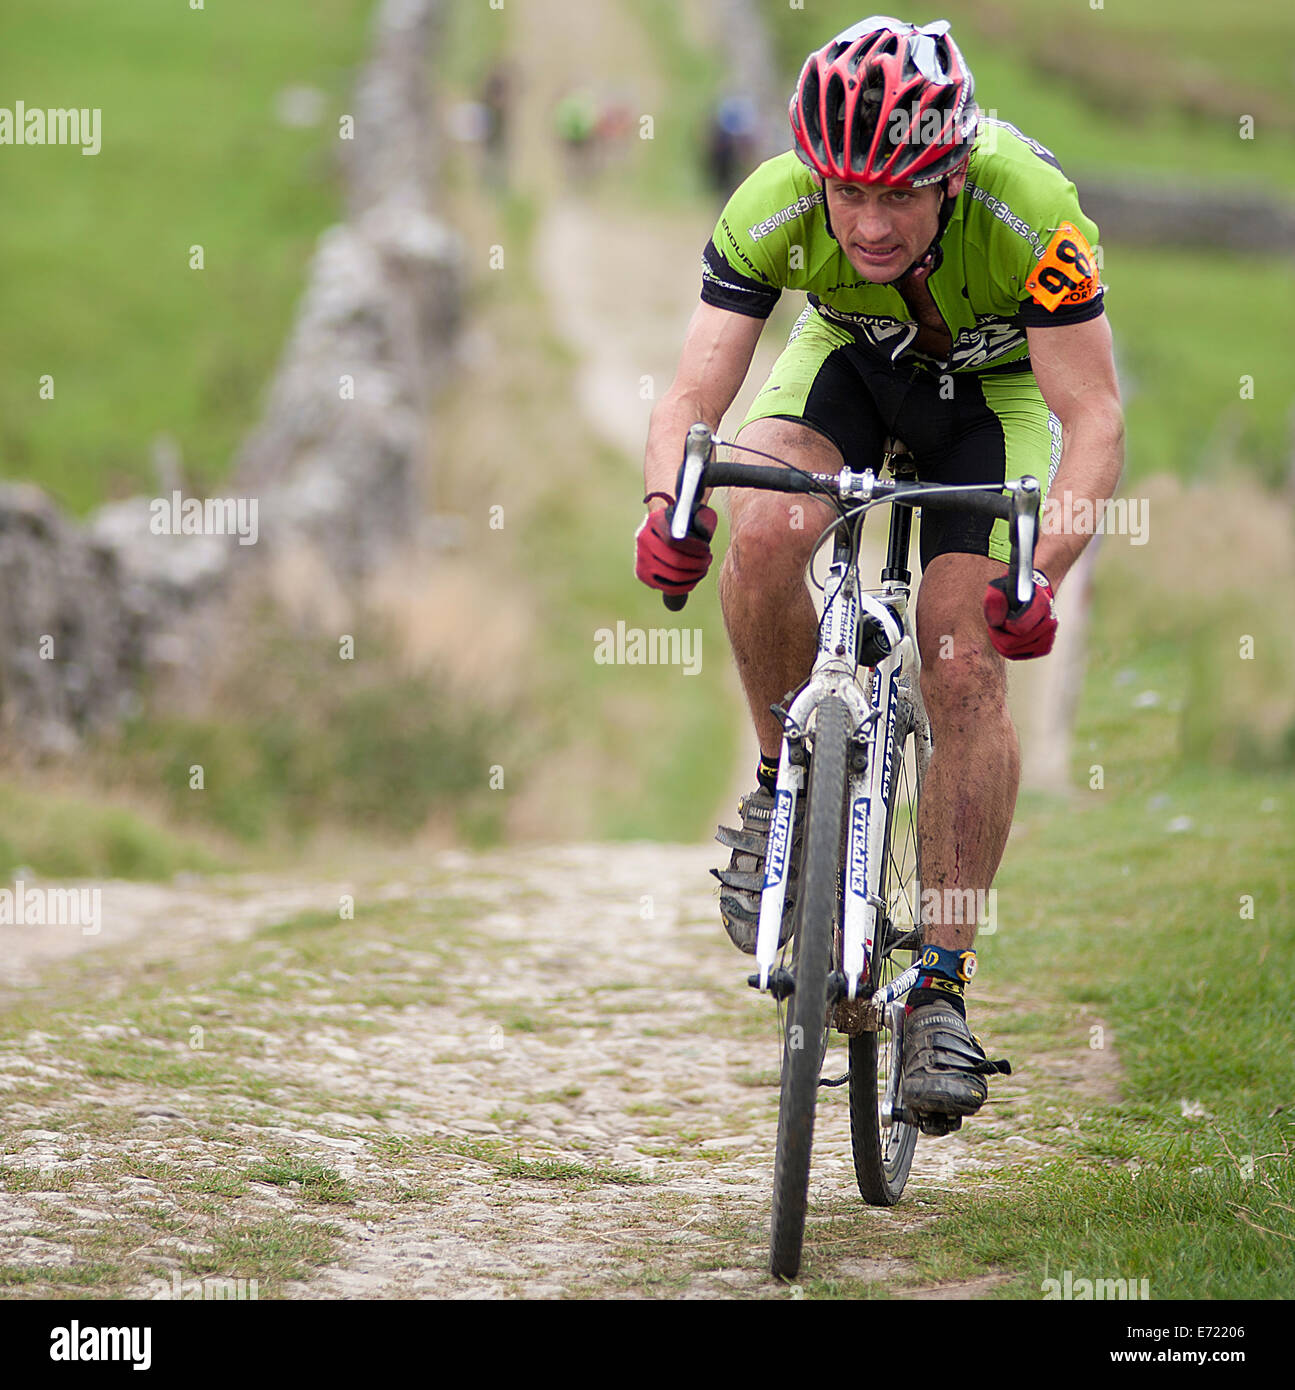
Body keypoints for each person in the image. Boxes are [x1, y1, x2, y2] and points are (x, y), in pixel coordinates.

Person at [635, 16, 1123, 1134]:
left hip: (987, 409)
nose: (864, 221)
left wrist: (1037, 572)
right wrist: (667, 507)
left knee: (961, 663)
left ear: (950, 173)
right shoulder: (773, 201)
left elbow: (1090, 419)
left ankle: (939, 990)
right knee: (759, 528)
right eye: (845, 190)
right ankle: (776, 797)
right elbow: (690, 403)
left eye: (898, 196)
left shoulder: (1028, 212)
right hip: (846, 370)